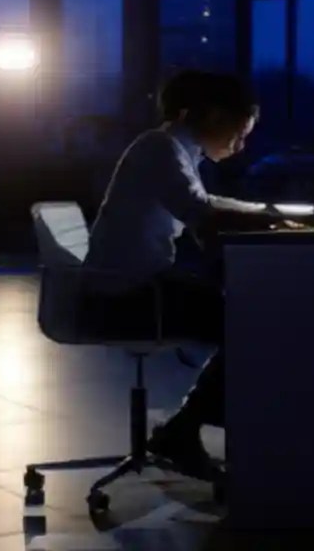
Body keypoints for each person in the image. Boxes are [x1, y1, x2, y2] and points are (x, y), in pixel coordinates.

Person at [82, 69, 274, 479]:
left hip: (133, 285)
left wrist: (261, 213)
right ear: (215, 116)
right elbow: (200, 214)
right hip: (130, 294)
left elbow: (201, 200)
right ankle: (185, 429)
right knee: (251, 324)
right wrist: (273, 221)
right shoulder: (161, 148)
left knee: (244, 317)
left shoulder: (172, 149)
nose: (241, 146)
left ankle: (188, 425)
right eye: (240, 133)